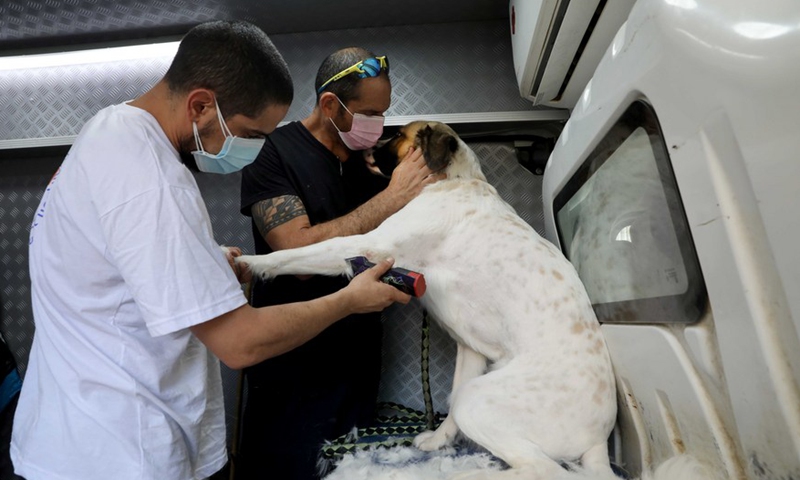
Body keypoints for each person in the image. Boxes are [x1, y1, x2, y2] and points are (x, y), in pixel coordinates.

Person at [11, 22, 411, 480]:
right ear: (201, 105)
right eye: (250, 133)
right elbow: (241, 343)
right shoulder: (148, 174)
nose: (253, 149)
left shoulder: (108, 137)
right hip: (122, 451)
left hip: (75, 436)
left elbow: (112, 266)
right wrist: (349, 300)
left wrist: (203, 260)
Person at [236, 48, 441, 479]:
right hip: (293, 362)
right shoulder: (273, 153)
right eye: (369, 113)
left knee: (351, 470)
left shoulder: (369, 165)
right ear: (330, 105)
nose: (378, 124)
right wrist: (392, 198)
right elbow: (296, 253)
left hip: (358, 362)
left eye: (383, 113)